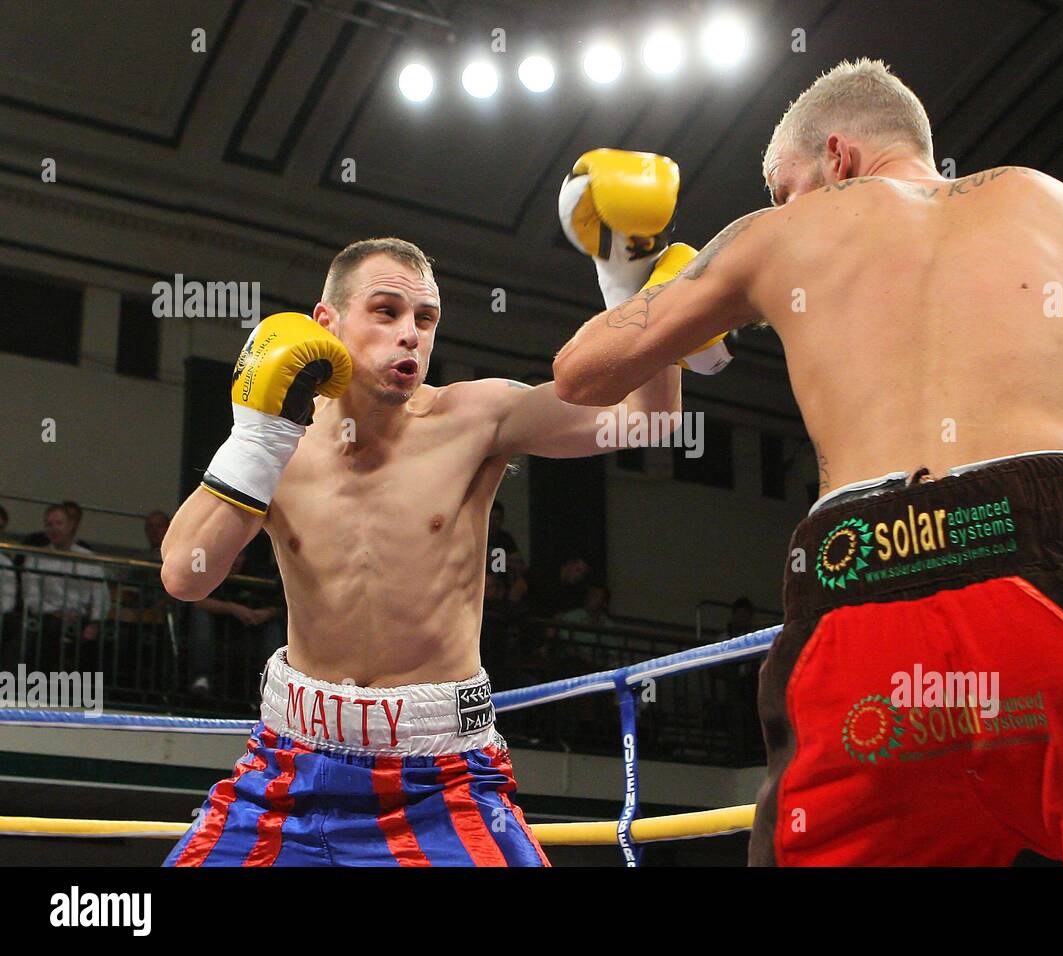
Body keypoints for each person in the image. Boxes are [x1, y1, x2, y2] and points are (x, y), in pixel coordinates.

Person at [552, 58, 1063, 866]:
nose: (782, 206)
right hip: (1061, 553)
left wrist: (625, 265)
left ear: (836, 155)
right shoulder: (1059, 203)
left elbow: (581, 372)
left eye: (783, 186)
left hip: (860, 575)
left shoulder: (777, 235)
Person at [160, 215, 716, 864]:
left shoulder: (472, 417)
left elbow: (644, 422)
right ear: (325, 322)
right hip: (292, 764)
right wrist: (257, 439)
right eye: (387, 311)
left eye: (425, 319)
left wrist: (643, 297)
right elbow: (184, 576)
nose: (409, 334)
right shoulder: (280, 438)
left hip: (440, 777)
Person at [186, 548, 285, 698]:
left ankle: (272, 686)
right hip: (217, 630)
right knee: (201, 619)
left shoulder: (257, 573)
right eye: (232, 554)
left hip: (250, 630)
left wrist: (264, 614)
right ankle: (202, 677)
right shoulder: (208, 572)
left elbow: (280, 606)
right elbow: (197, 603)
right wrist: (232, 608)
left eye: (240, 555)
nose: (236, 560)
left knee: (274, 628)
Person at [18, 504, 108, 667]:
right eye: (49, 524)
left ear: (71, 525)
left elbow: (100, 593)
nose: (54, 529)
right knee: (49, 632)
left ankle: (84, 690)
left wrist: (94, 622)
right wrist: (55, 612)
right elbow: (30, 596)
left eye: (59, 523)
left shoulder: (88, 557)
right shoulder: (36, 557)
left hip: (81, 619)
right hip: (47, 618)